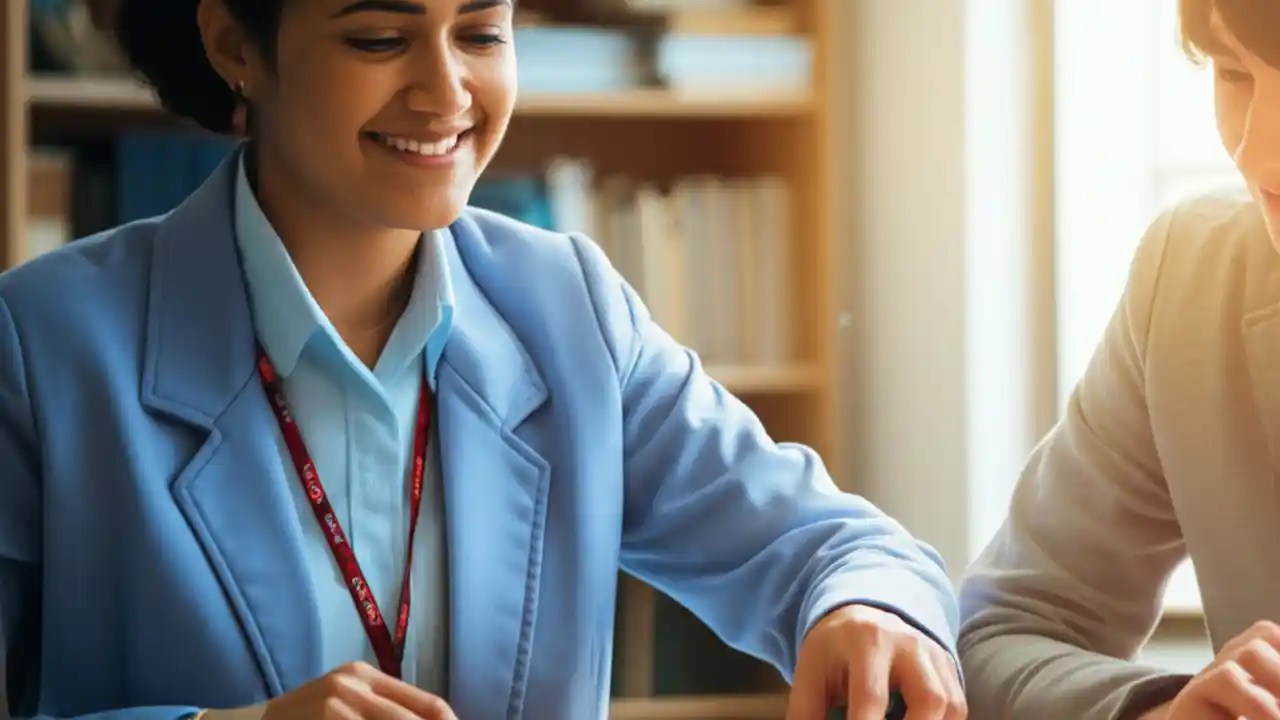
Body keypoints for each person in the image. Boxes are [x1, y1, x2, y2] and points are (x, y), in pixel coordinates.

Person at [0, 1, 966, 718]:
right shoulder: (44, 348)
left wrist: (861, 608)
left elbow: (841, 548)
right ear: (234, 46)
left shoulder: (570, 310)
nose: (445, 92)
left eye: (480, 31)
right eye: (379, 38)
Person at [958, 1, 1280, 718]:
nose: (1259, 155)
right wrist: (1160, 713)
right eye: (1232, 74)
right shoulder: (1193, 282)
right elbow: (998, 631)